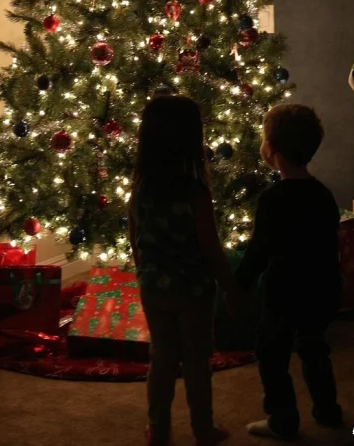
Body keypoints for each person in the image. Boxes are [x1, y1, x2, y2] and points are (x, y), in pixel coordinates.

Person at [129, 95, 237, 446]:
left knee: (161, 357)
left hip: (153, 286)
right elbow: (210, 247)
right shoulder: (195, 194)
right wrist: (230, 287)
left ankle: (158, 429)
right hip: (192, 289)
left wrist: (145, 272)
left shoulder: (140, 191)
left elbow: (135, 240)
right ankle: (202, 429)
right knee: (195, 360)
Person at [235, 103, 343, 440]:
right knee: (314, 349)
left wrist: (238, 284)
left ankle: (282, 418)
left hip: (284, 291)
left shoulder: (272, 199)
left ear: (271, 150)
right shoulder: (324, 195)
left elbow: (259, 250)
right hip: (323, 287)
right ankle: (328, 410)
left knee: (273, 355)